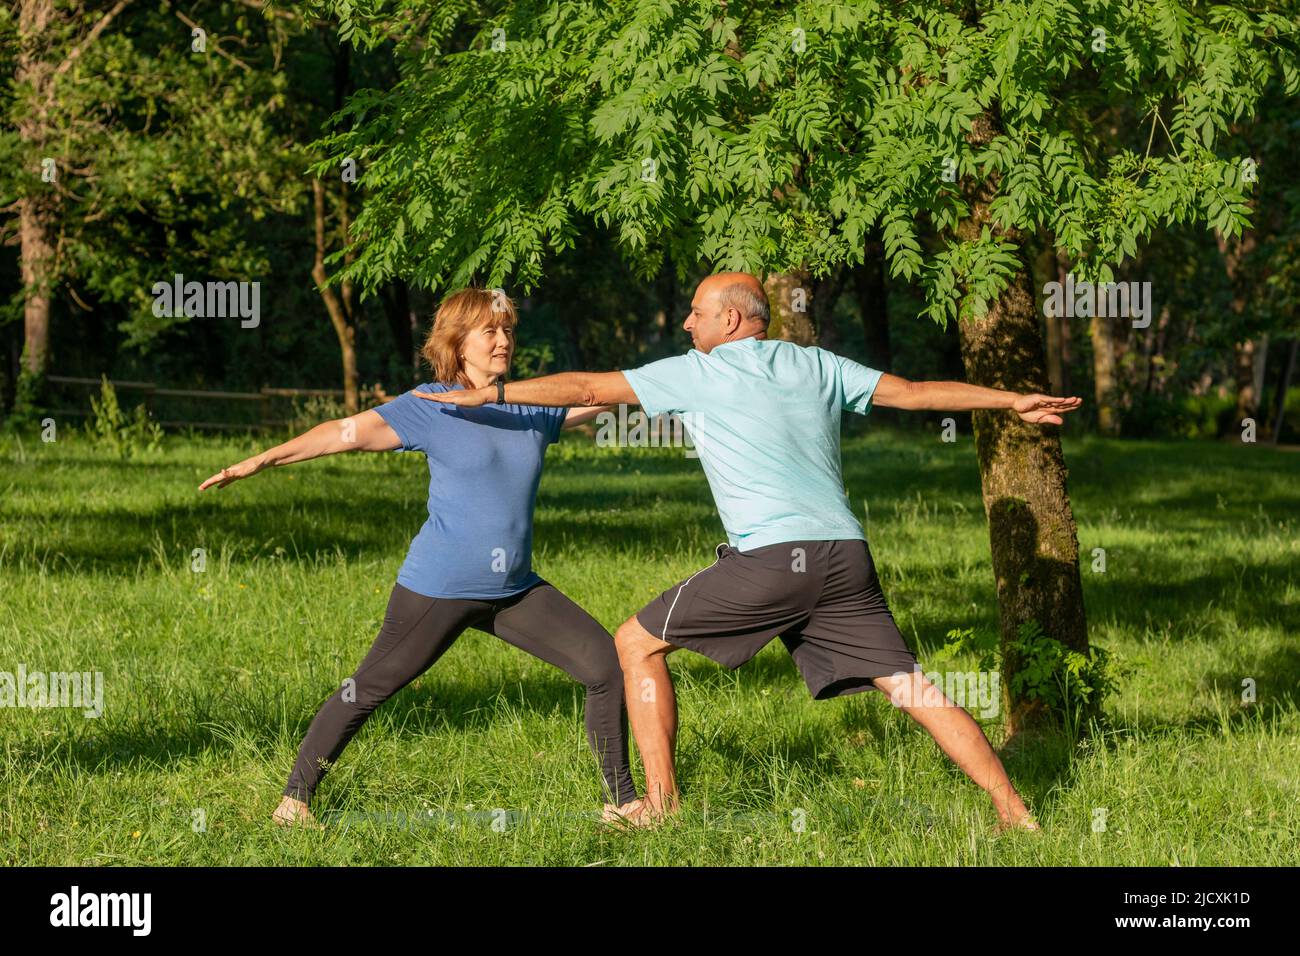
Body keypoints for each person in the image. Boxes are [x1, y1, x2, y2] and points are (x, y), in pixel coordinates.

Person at [419, 271, 1083, 833]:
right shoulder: (818, 363)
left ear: (731, 320)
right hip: (845, 557)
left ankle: (658, 802)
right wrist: (1010, 401)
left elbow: (589, 390)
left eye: (697, 313)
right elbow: (913, 395)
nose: (686, 324)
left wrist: (491, 394)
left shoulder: (701, 371)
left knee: (634, 643)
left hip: (772, 560)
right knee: (908, 684)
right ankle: (1014, 810)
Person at [198, 287, 640, 827]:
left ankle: (622, 804)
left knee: (605, 665)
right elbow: (344, 433)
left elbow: (606, 393)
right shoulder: (430, 405)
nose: (503, 341)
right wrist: (263, 460)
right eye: (489, 332)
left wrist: (693, 376)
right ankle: (294, 802)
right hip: (440, 589)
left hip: (515, 589)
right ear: (459, 342)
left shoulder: (528, 401)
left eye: (508, 331)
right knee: (367, 689)